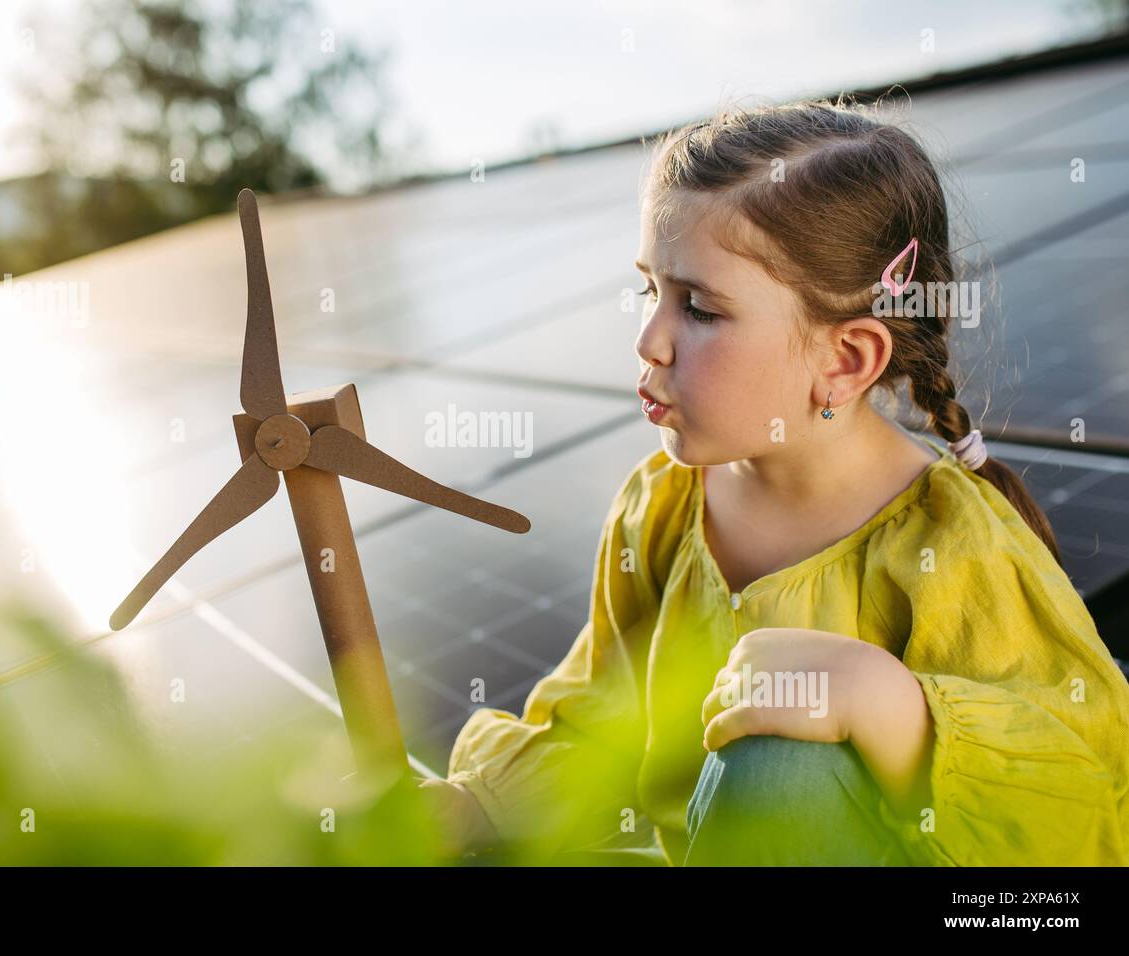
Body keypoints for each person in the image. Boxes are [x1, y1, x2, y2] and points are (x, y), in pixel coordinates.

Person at [416, 98, 1129, 866]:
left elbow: (1079, 805)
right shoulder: (659, 507)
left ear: (846, 361)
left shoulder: (956, 549)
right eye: (648, 291)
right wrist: (475, 807)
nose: (648, 339)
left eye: (699, 309)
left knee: (778, 762)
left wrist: (898, 713)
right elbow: (601, 712)